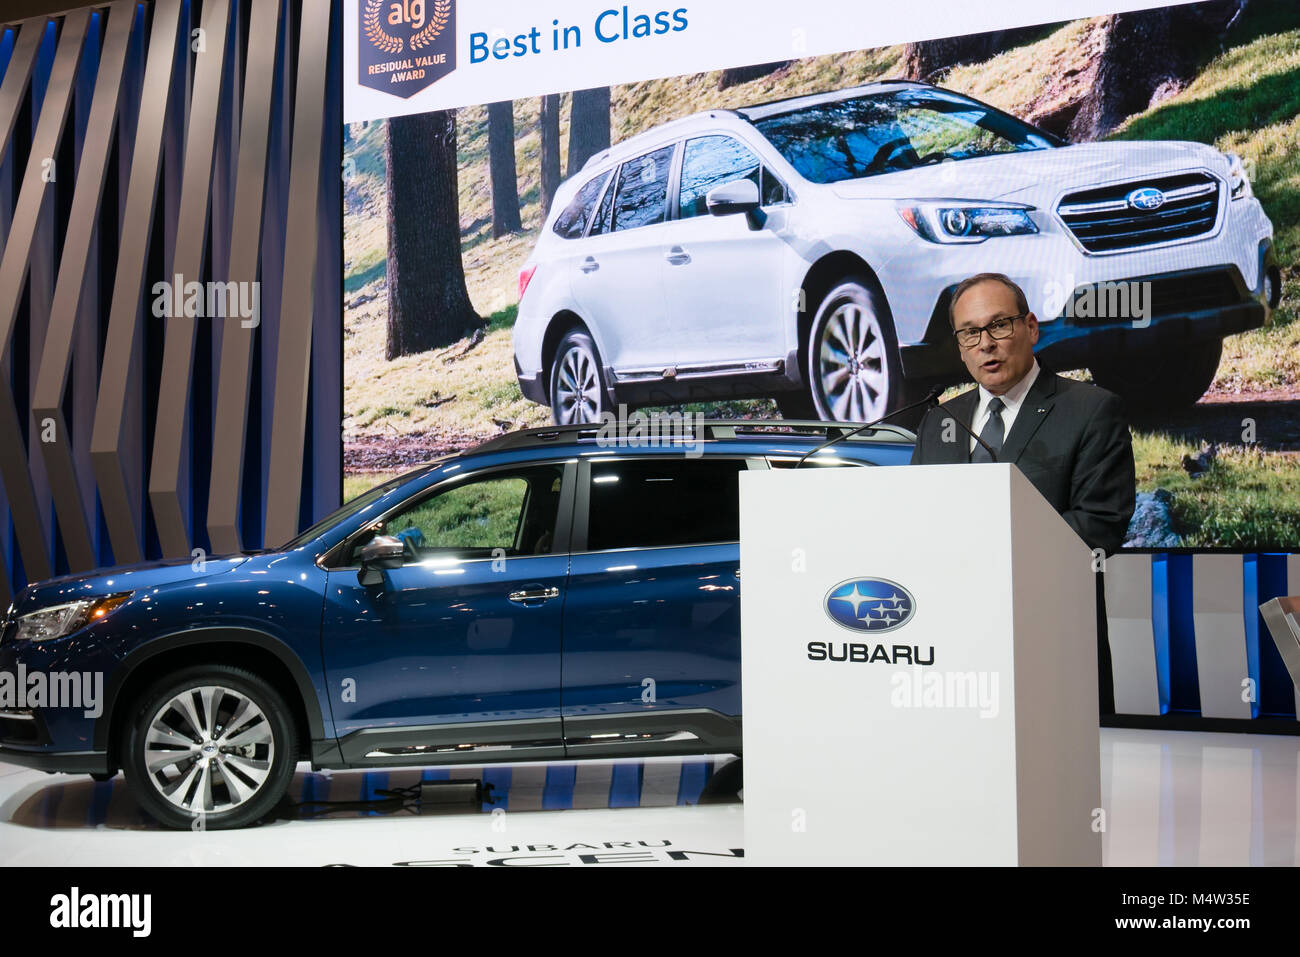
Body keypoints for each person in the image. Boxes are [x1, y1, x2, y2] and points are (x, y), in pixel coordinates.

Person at [909, 272, 1137, 713]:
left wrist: (988, 555)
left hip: (1051, 647)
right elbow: (919, 522)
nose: (986, 344)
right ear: (960, 345)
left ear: (1030, 327)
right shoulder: (940, 421)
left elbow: (1099, 525)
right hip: (954, 655)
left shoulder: (1089, 409)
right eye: (970, 332)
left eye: (999, 325)